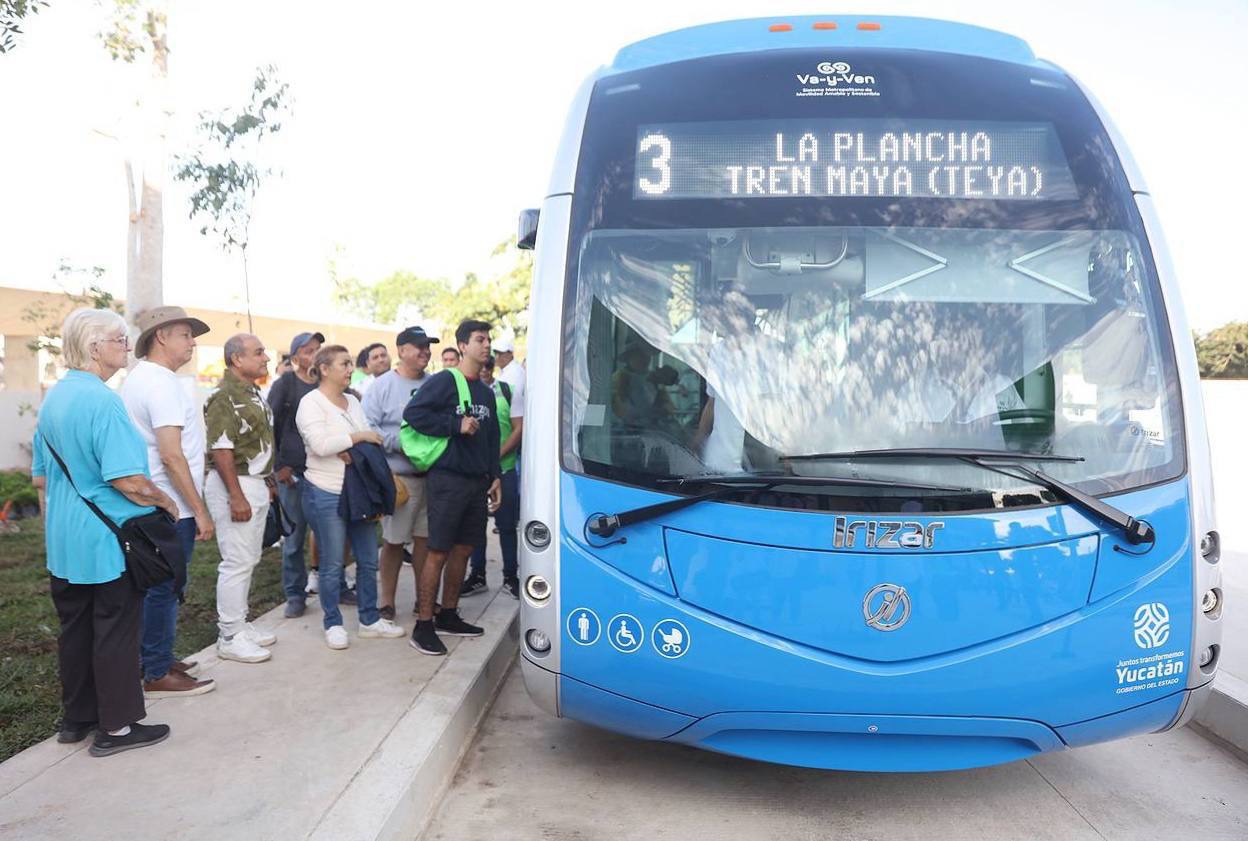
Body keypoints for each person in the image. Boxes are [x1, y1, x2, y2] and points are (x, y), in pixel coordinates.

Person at [31, 307, 173, 756]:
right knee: (115, 629)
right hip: (106, 540)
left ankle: (77, 720)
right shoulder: (102, 400)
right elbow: (127, 479)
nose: (127, 348)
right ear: (95, 348)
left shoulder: (54, 398)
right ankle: (117, 728)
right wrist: (166, 501)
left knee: (75, 630)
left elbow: (41, 478)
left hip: (63, 539)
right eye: (120, 340)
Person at [120, 306, 216, 699]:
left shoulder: (142, 378)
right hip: (170, 505)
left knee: (158, 587)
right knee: (164, 587)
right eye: (185, 335)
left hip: (155, 504)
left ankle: (154, 658)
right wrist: (200, 510)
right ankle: (157, 672)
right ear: (161, 336)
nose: (192, 343)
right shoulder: (160, 384)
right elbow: (172, 455)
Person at [296, 345, 404, 649]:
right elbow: (321, 445)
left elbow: (373, 440)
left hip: (360, 490)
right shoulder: (310, 403)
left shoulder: (354, 401)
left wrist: (349, 445)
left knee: (368, 560)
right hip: (326, 491)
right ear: (324, 369)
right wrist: (357, 438)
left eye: (350, 363)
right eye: (344, 364)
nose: (350, 369)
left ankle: (369, 620)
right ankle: (333, 623)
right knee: (332, 563)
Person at [404, 320, 502, 655]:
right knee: (439, 550)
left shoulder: (486, 391)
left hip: (477, 482)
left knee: (463, 549)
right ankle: (424, 624)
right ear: (462, 346)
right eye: (479, 339)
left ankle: (448, 613)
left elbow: (492, 437)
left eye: (488, 340)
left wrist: (495, 475)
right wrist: (454, 424)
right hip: (448, 480)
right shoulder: (445, 381)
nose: (486, 345)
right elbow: (414, 414)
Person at [204, 334, 279, 664]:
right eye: (259, 352)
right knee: (236, 561)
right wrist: (236, 496)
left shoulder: (251, 392)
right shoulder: (224, 396)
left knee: (248, 559)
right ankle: (230, 636)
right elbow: (221, 449)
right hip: (235, 484)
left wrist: (268, 479)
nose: (266, 358)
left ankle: (239, 624)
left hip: (253, 482)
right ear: (237, 359)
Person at [362, 325, 439, 620]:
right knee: (394, 542)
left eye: (428, 346)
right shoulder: (382, 386)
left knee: (425, 542)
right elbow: (368, 427)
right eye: (420, 346)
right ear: (402, 350)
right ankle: (387, 602)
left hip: (431, 478)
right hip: (399, 480)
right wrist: (402, 444)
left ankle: (424, 600)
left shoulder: (434, 384)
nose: (425, 352)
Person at [267, 330, 327, 617]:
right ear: (295, 357)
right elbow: (269, 427)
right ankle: (295, 594)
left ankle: (334, 587)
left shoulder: (326, 384)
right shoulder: (285, 385)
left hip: (325, 473)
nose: (314, 354)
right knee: (293, 540)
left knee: (330, 535)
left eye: (317, 349)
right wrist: (279, 466)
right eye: (307, 350)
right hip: (293, 476)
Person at [463, 353, 523, 599]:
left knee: (506, 526)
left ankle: (511, 576)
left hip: (504, 469)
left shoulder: (507, 391)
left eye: (489, 365)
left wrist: (495, 456)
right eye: (481, 366)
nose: (485, 370)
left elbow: (518, 428)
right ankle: (477, 575)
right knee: (476, 527)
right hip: (476, 472)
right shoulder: (465, 391)